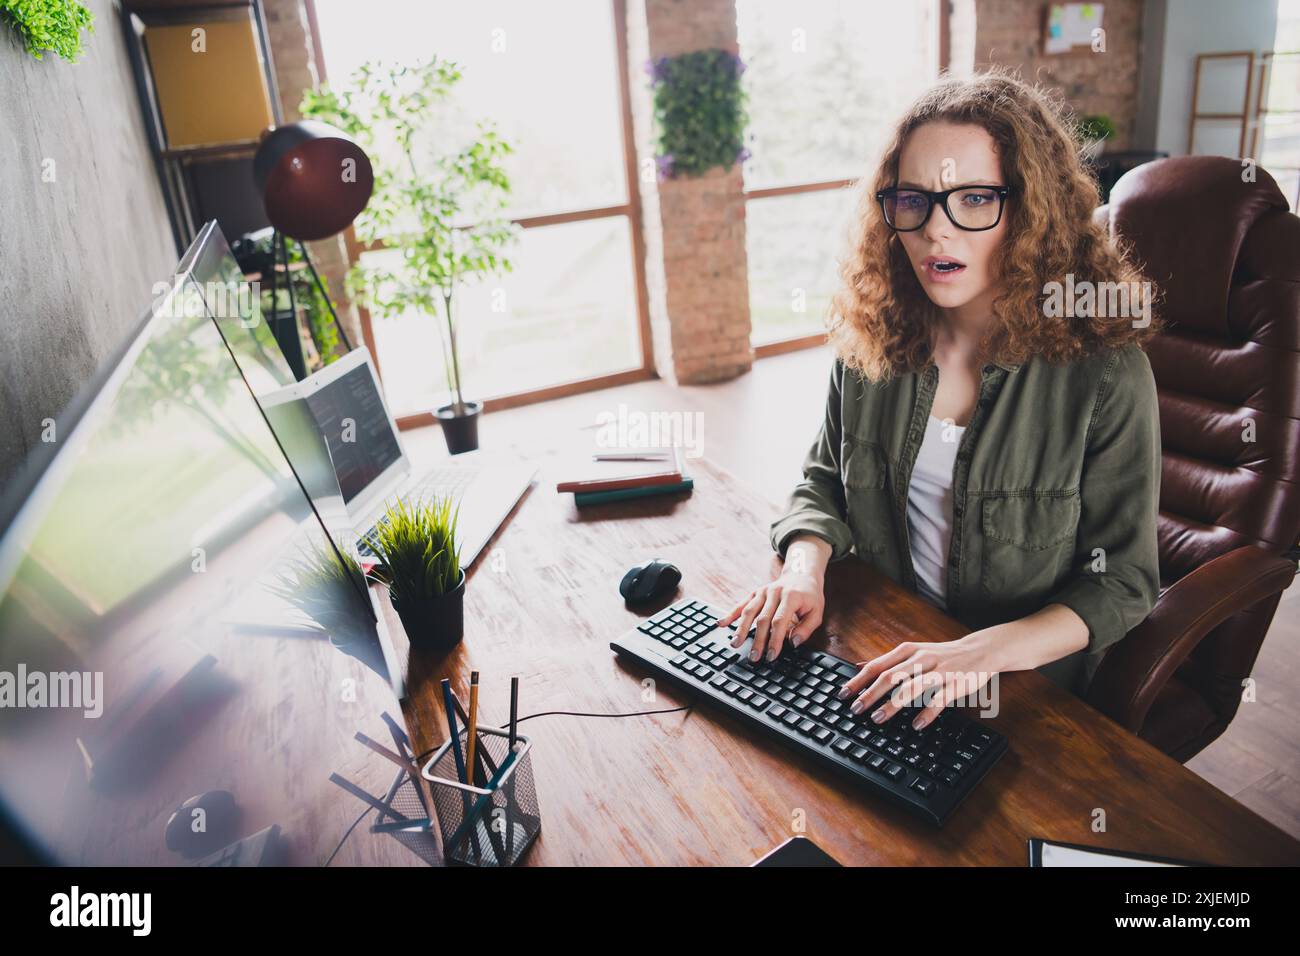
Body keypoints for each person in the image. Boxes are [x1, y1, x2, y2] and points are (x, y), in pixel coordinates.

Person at [719, 70, 1162, 731]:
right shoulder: (873, 339)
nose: (936, 231)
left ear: (1031, 209)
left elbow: (1121, 583)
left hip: (1020, 686)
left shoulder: (1103, 373)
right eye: (914, 201)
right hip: (881, 645)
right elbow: (822, 483)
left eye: (975, 199)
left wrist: (980, 653)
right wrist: (803, 570)